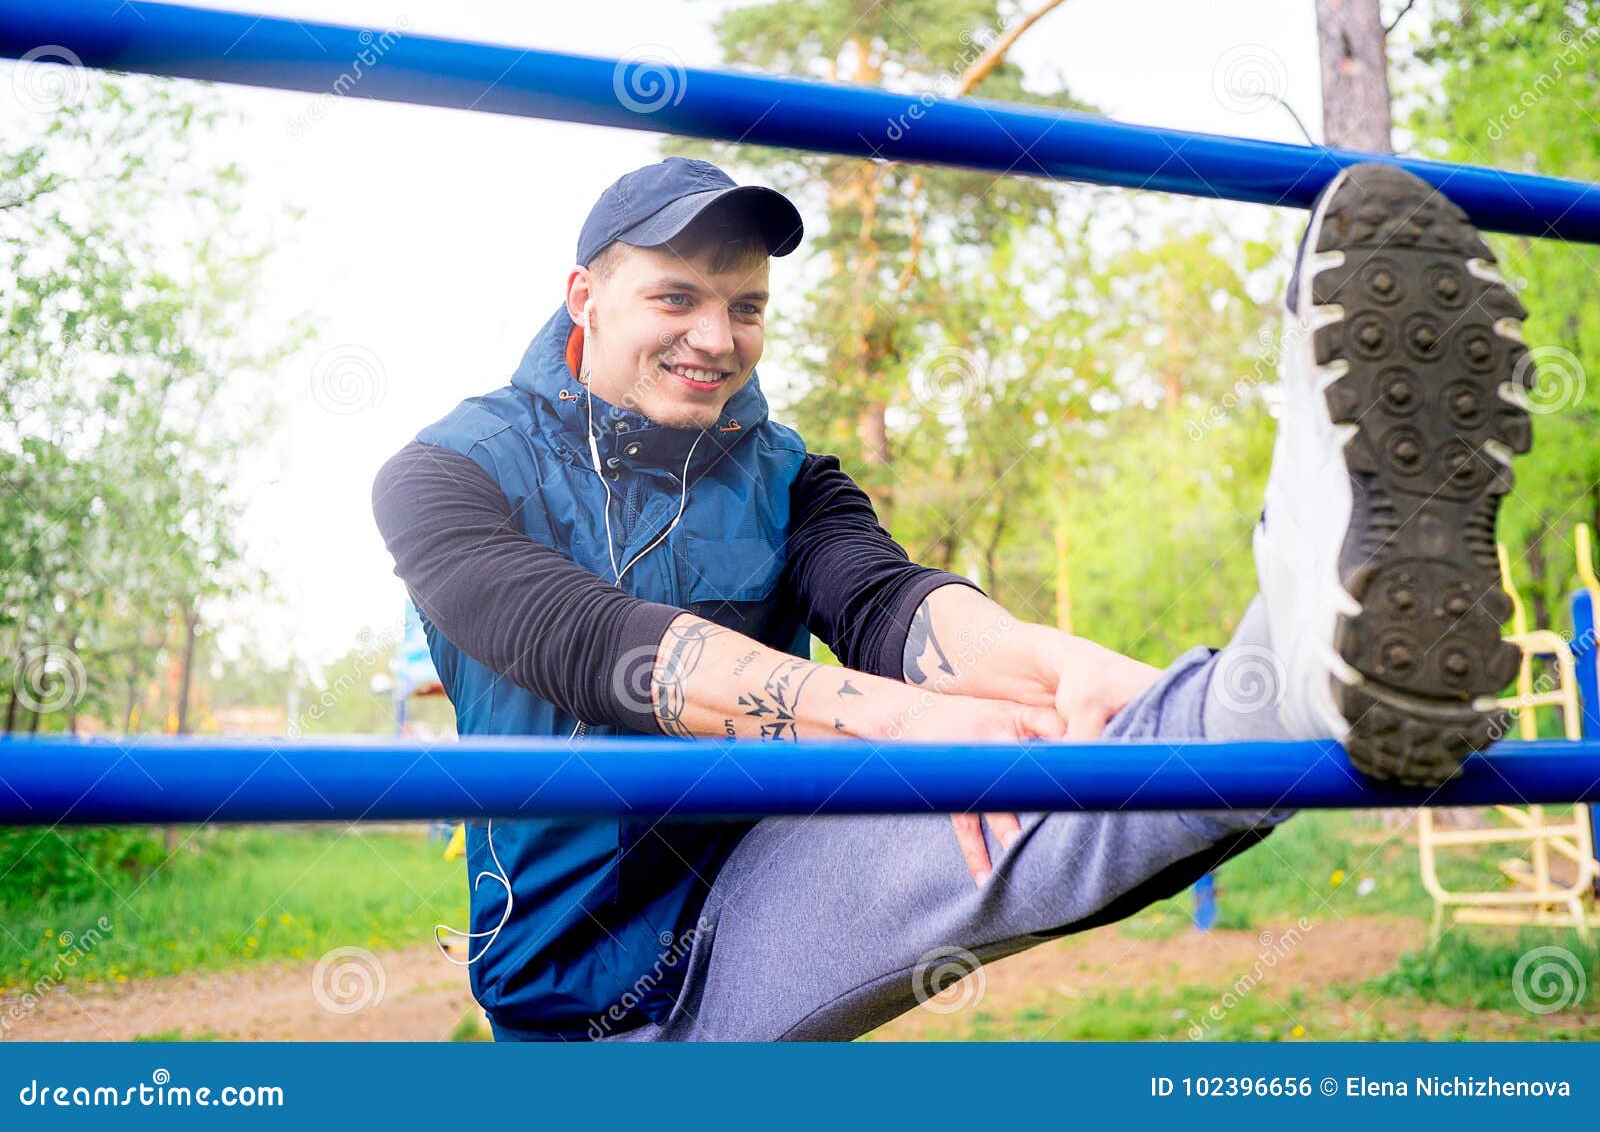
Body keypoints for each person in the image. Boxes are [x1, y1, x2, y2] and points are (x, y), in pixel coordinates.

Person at [372, 156, 1531, 1041]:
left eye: (748, 307)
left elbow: (885, 601)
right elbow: (585, 639)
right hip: (581, 1004)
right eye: (675, 298)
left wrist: (1042, 661)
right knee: (953, 743)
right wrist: (893, 716)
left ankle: (1290, 660)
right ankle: (1282, 669)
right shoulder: (444, 474)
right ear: (585, 295)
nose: (716, 339)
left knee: (1028, 780)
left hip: (765, 887)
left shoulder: (782, 469)